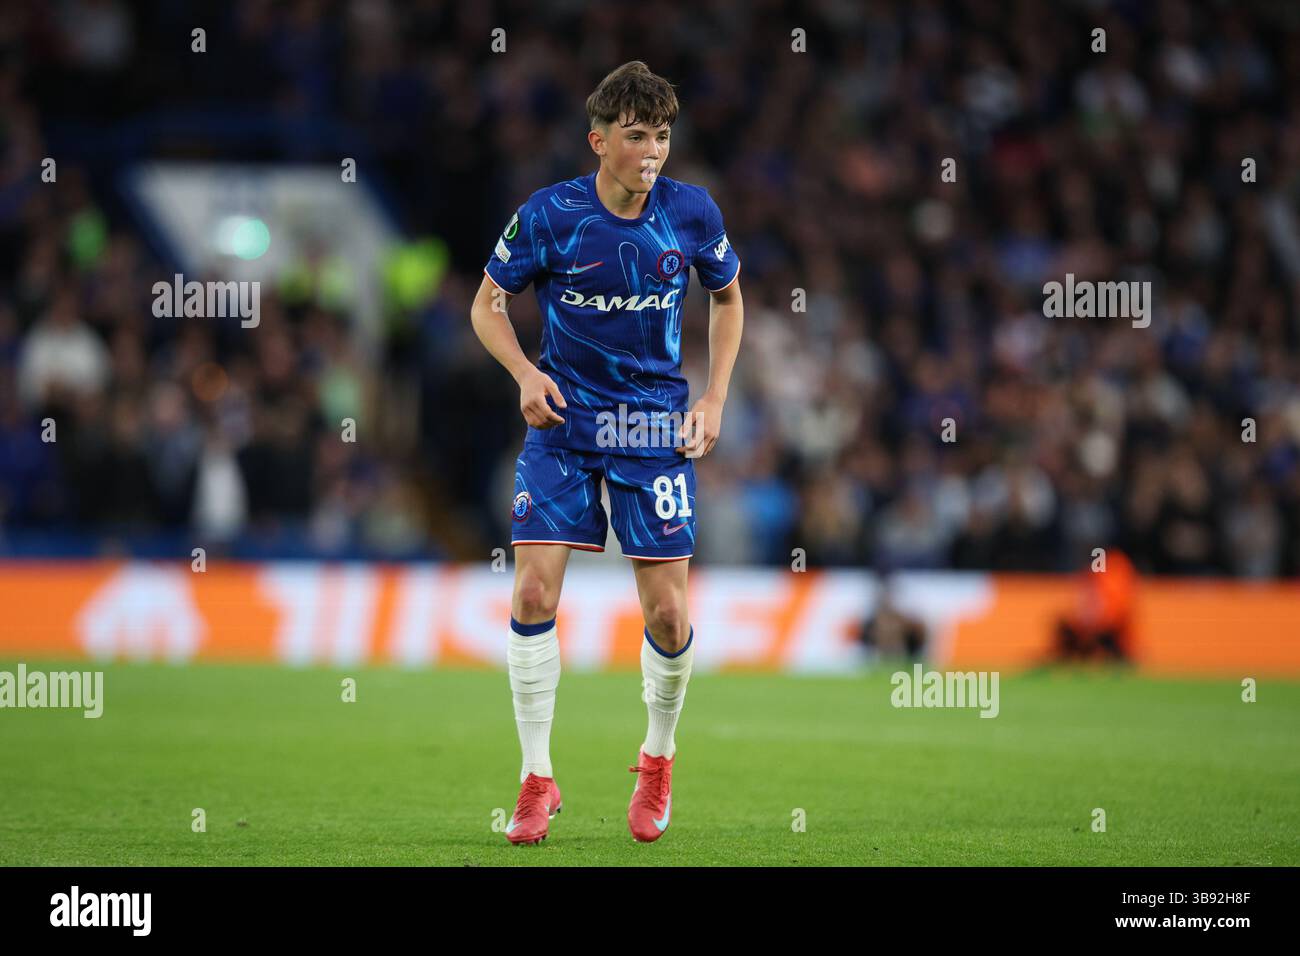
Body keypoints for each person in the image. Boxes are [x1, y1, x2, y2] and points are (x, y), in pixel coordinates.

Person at [469, 61, 743, 844]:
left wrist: (715, 396)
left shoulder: (691, 214)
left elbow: (728, 298)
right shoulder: (550, 214)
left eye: (661, 136)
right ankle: (535, 779)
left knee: (667, 609)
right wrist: (523, 372)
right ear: (599, 140)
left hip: (653, 431)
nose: (651, 151)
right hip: (563, 428)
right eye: (635, 136)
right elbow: (488, 305)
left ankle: (657, 760)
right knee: (530, 597)